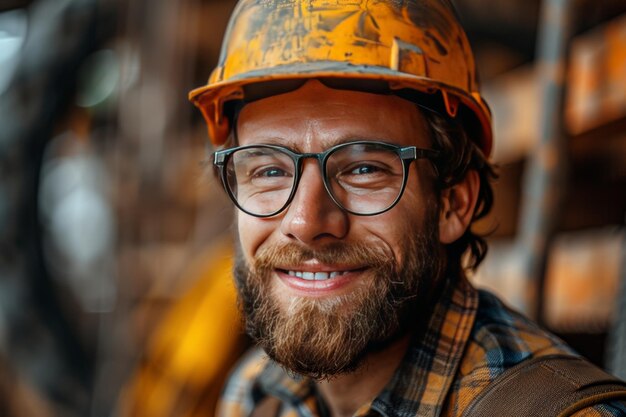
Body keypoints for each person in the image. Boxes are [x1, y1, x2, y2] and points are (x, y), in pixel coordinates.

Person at [189, 0, 626, 416]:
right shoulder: (256, 394)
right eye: (268, 171)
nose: (305, 222)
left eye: (363, 168)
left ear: (453, 203)